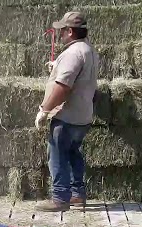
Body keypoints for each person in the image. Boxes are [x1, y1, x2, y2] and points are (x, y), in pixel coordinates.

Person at [34, 11, 100, 212]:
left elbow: (63, 87)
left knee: (58, 154)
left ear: (70, 32)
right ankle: (77, 195)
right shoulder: (89, 50)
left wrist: (45, 110)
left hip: (67, 115)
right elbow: (80, 74)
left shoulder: (72, 53)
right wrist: (58, 66)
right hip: (83, 115)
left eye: (62, 31)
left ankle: (60, 199)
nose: (61, 34)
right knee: (73, 154)